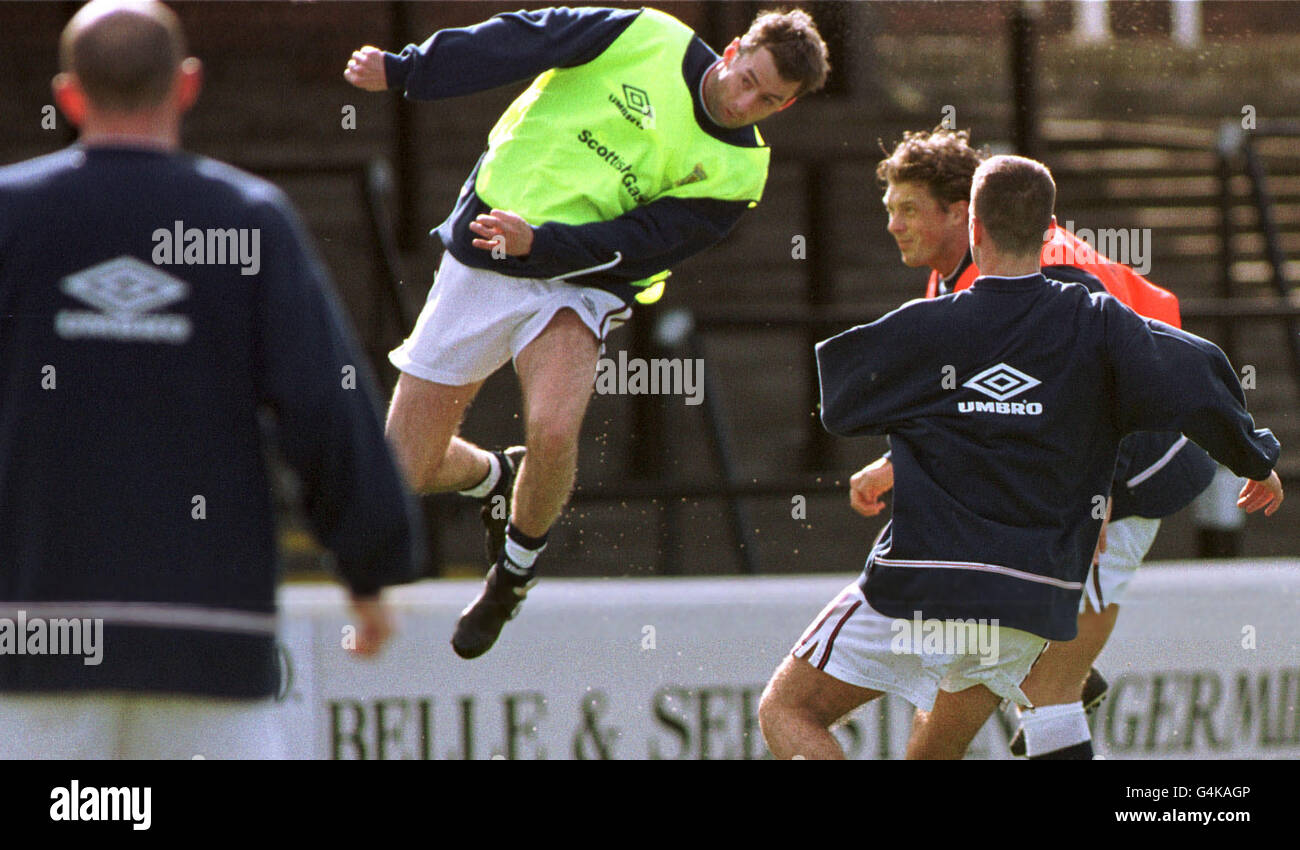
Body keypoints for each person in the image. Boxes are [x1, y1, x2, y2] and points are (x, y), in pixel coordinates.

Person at [0, 0, 422, 758]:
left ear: (68, 95)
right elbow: (326, 402)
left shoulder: (10, 218)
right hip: (209, 644)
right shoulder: (246, 221)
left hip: (32, 649)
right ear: (187, 85)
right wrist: (370, 565)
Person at [757, 154, 1283, 761]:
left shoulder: (929, 325)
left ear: (971, 225)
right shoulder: (1093, 318)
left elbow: (840, 402)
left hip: (930, 578)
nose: (896, 224)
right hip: (1037, 586)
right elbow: (1198, 374)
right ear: (1049, 225)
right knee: (1031, 705)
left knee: (787, 709)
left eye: (907, 209)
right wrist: (1253, 458)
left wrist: (936, 411)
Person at [345, 6, 830, 659]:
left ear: (789, 106)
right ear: (735, 46)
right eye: (747, 78)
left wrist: (541, 246)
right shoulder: (643, 34)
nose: (746, 101)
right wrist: (408, 70)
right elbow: (519, 41)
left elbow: (642, 243)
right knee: (401, 469)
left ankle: (511, 578)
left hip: (580, 279)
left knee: (551, 428)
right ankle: (492, 477)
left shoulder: (740, 172)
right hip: (488, 243)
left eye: (769, 100)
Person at [856, 127, 1221, 757]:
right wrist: (893, 466)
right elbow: (986, 406)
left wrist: (1099, 495)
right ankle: (1047, 682)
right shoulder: (958, 280)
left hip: (1131, 477)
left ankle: (1050, 683)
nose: (893, 225)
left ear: (963, 215)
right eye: (889, 209)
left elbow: (1116, 377)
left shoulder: (1045, 270)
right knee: (1044, 696)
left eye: (909, 208)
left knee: (1050, 698)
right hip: (1073, 490)